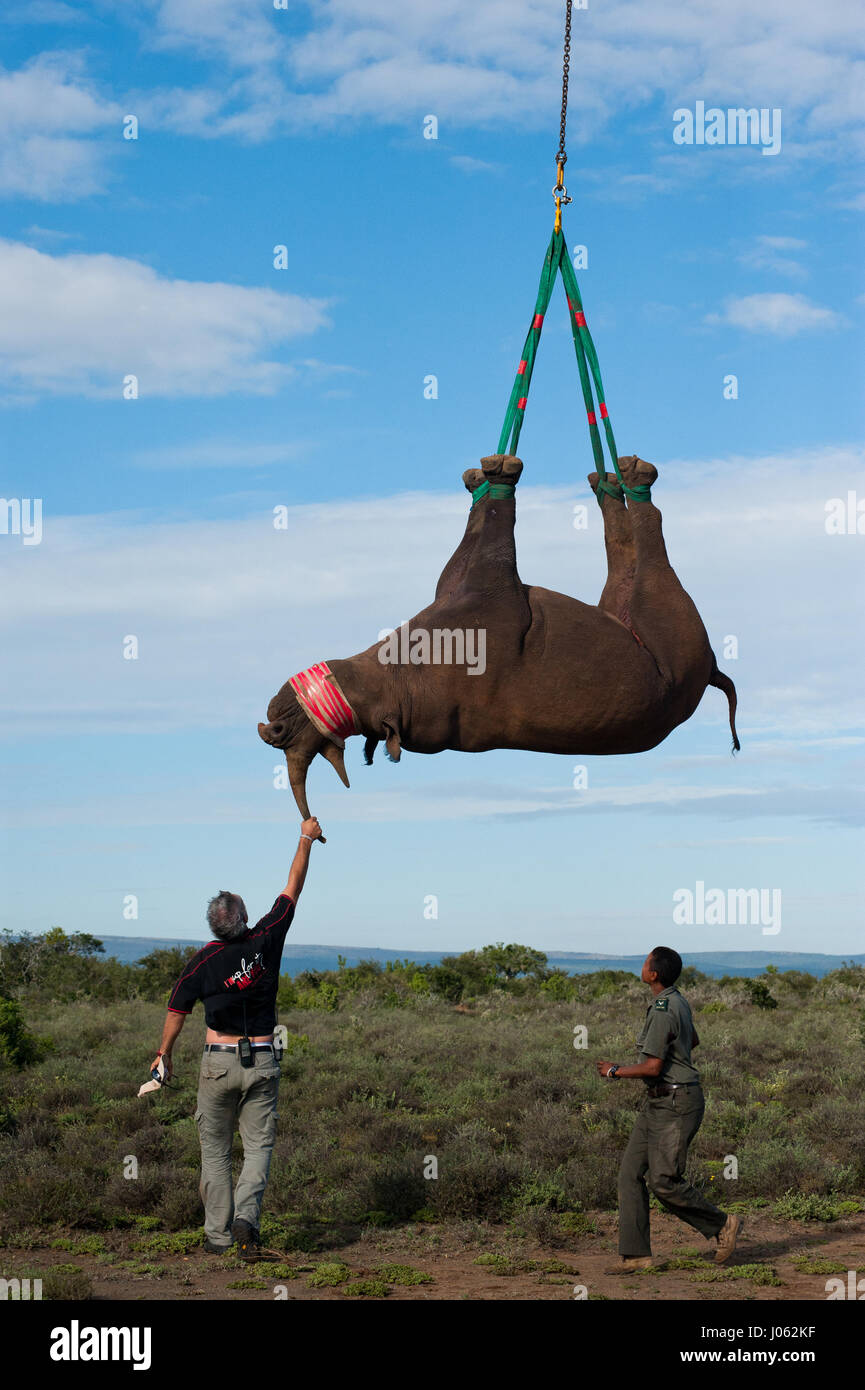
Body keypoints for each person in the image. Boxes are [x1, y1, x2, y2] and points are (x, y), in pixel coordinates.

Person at [149, 818, 325, 1258]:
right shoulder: (268, 937)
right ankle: (247, 1220)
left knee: (214, 1150)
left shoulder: (201, 961)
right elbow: (293, 887)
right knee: (259, 1146)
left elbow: (176, 1009)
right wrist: (306, 836)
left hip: (217, 1063)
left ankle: (217, 1238)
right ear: (244, 920)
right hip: (263, 1058)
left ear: (214, 926)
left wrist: (163, 1055)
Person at [596, 945, 743, 1272]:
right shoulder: (677, 1000)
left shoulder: (663, 1007)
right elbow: (691, 1041)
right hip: (659, 1102)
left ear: (654, 973)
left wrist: (614, 1071)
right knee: (629, 1174)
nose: (643, 964)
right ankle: (636, 1256)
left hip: (675, 1102)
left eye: (646, 961)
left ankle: (722, 1225)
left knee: (663, 1180)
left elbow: (651, 1067)